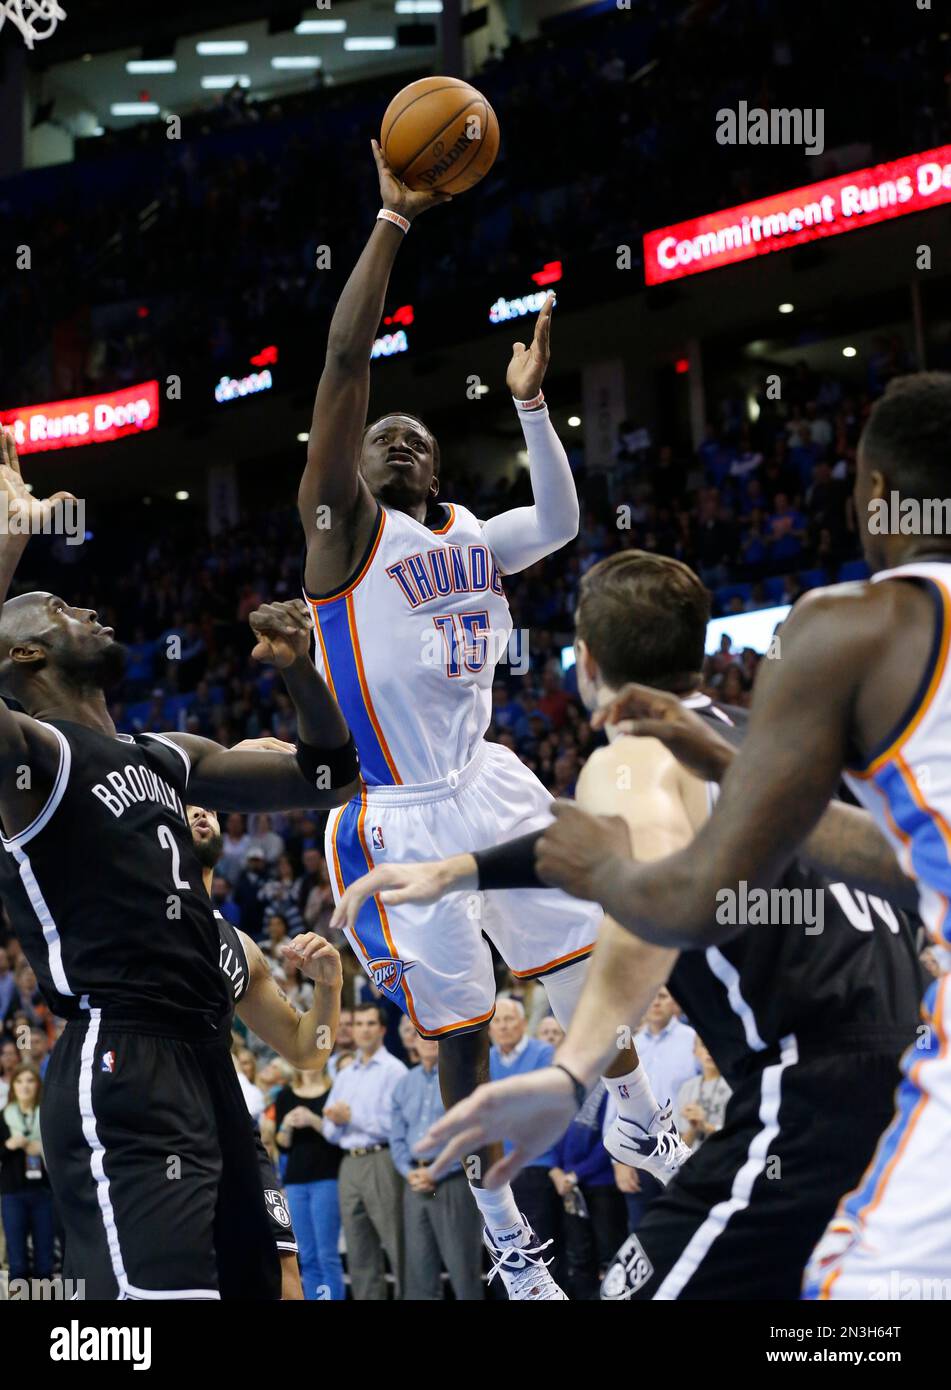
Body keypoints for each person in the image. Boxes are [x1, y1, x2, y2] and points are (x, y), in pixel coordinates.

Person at [341, 545, 922, 1300]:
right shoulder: (765, 736)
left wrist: (569, 1071)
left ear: (584, 662)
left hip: (811, 1084)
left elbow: (638, 898)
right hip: (915, 1069)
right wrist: (466, 869)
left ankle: (629, 1125)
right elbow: (612, 846)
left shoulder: (631, 757)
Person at [301, 144, 671, 1299]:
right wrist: (391, 221)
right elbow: (347, 356)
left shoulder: (467, 531)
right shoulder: (341, 538)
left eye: (416, 433)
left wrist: (532, 406)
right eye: (378, 436)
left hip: (488, 777)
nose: (398, 435)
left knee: (586, 960)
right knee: (459, 1033)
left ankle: (644, 1130)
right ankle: (513, 1245)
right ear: (352, 469)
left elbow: (559, 519)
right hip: (400, 810)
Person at [0, 428, 360, 1300]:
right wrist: (10, 538)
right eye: (61, 610)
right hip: (121, 1055)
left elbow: (326, 775)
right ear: (23, 656)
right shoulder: (32, 765)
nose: (92, 613)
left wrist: (305, 676)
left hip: (208, 1054)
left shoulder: (164, 753)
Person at [189, 801, 345, 1301]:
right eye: (185, 807)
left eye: (208, 807)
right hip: (164, 1126)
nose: (201, 813)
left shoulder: (241, 946)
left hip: (232, 1127)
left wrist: (329, 987)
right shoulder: (137, 914)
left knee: (284, 1279)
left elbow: (308, 1051)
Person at [319, 1002, 407, 1300]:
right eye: (358, 1024)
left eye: (370, 1023)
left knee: (397, 1243)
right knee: (358, 1250)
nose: (364, 1029)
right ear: (352, 1030)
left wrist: (350, 1118)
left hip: (382, 1159)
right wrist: (338, 1121)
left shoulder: (394, 1070)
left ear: (382, 1029)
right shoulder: (345, 1074)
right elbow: (329, 1129)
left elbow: (395, 1126)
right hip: (349, 1164)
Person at [390, 1032, 484, 1300]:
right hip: (414, 1182)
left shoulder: (462, 1079)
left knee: (463, 1269)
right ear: (412, 1041)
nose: (428, 1039)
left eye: (434, 1034)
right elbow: (395, 1138)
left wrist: (436, 1171)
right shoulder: (404, 1084)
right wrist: (410, 1172)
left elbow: (470, 1135)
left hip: (453, 1179)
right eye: (421, 1034)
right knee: (418, 1272)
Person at [274, 1067, 345, 1301]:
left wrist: (313, 1120)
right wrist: (286, 1124)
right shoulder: (285, 1094)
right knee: (306, 1254)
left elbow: (340, 1137)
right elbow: (282, 1143)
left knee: (327, 1253)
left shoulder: (334, 1090)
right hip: (295, 1180)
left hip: (327, 1176)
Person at [0, 1064, 54, 1286]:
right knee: (18, 1261)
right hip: (12, 1193)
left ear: (38, 1085)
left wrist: (40, 1150)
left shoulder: (47, 1115)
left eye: (30, 1081)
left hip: (43, 1192)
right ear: (13, 1086)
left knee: (44, 1262)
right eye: (20, 1081)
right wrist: (9, 1145)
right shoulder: (4, 1116)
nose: (25, 1086)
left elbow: (60, 1152)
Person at [675, 1038, 731, 1152]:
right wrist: (694, 1127)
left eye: (716, 1046)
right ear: (695, 1051)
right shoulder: (687, 1087)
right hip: (692, 1162)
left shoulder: (733, 1086)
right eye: (705, 1045)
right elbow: (680, 1148)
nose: (709, 1051)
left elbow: (737, 1135)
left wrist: (705, 1126)